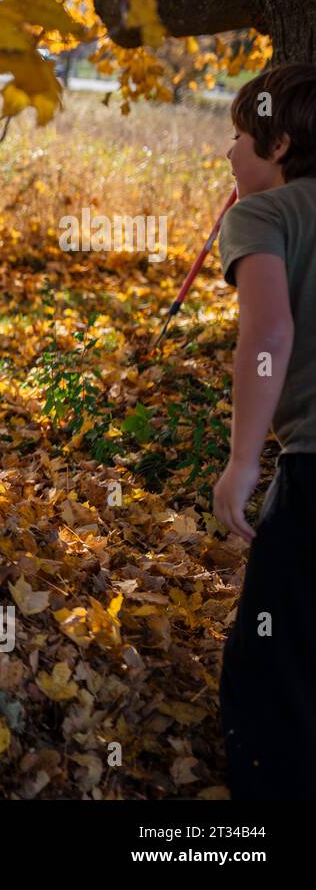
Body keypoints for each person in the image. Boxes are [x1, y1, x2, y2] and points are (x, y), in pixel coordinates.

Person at [213, 62, 316, 799]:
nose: (227, 153)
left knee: (271, 667)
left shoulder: (263, 214)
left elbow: (269, 331)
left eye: (239, 136)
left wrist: (243, 461)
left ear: (278, 144)